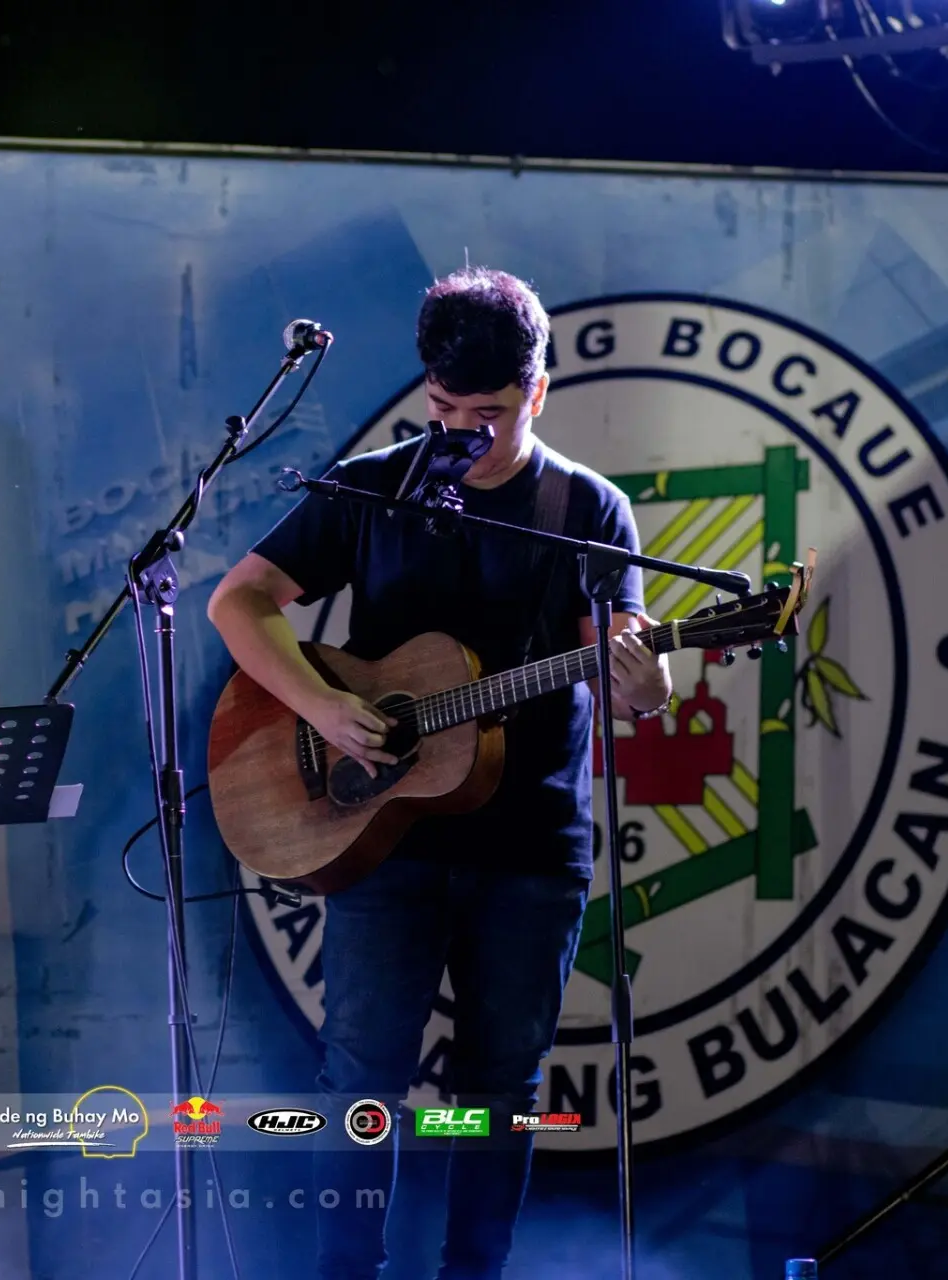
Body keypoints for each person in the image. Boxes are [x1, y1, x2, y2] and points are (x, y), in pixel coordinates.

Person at [206, 267, 670, 1280]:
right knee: (361, 1073)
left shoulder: (584, 507)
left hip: (527, 846)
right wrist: (326, 706)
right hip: (381, 834)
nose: (464, 431)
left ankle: (474, 1271)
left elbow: (628, 665)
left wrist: (645, 677)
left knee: (499, 1083)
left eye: (490, 414)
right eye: (446, 408)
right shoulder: (374, 485)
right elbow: (240, 602)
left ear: (537, 392)